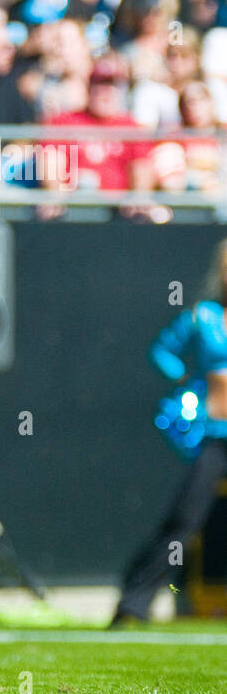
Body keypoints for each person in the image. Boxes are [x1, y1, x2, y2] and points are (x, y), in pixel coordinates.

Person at [113, 240, 227, 625]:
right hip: (215, 434)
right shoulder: (204, 317)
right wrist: (189, 382)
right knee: (185, 519)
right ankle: (133, 605)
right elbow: (162, 351)